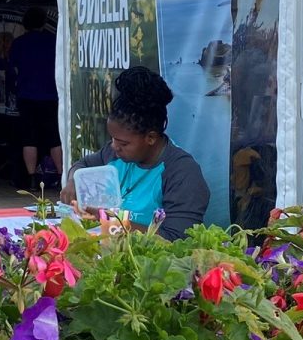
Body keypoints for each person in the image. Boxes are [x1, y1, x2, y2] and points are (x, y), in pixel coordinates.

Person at [62, 66, 209, 241]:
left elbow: (175, 239)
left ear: (151, 138)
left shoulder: (183, 173)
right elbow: (83, 165)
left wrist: (109, 220)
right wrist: (73, 180)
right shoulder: (115, 153)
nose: (114, 147)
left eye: (123, 143)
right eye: (113, 138)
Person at [10, 6, 61, 182]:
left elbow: (13, 69)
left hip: (26, 95)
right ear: (44, 22)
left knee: (29, 138)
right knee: (54, 137)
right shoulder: (54, 41)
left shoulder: (18, 43)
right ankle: (62, 176)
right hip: (51, 95)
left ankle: (32, 178)